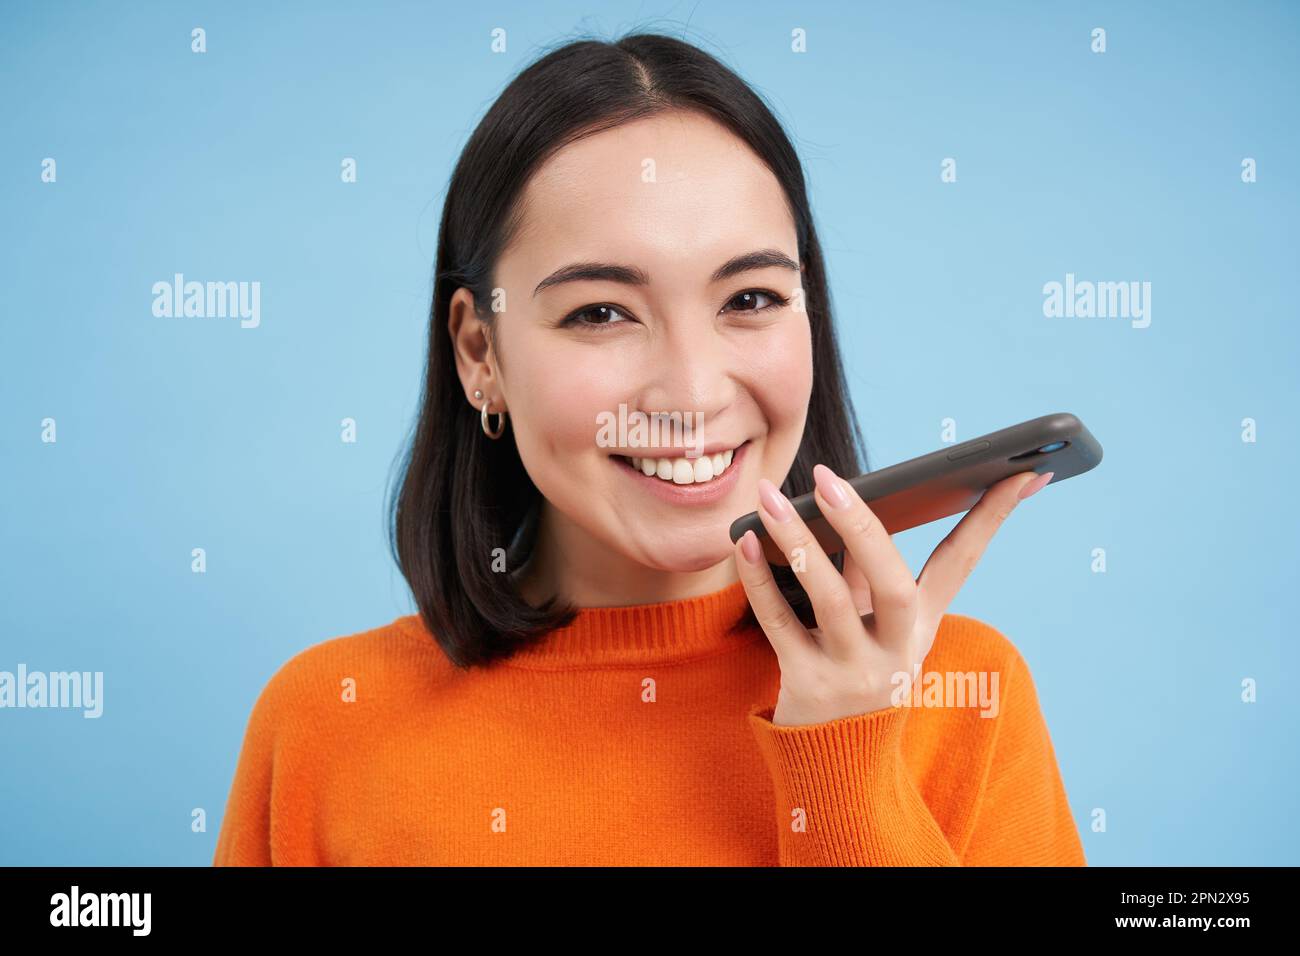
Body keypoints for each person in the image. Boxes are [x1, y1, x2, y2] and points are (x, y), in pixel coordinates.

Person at [213, 32, 1085, 867]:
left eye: (749, 297)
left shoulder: (966, 694)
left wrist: (848, 759)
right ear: (482, 353)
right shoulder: (326, 720)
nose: (694, 392)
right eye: (600, 312)